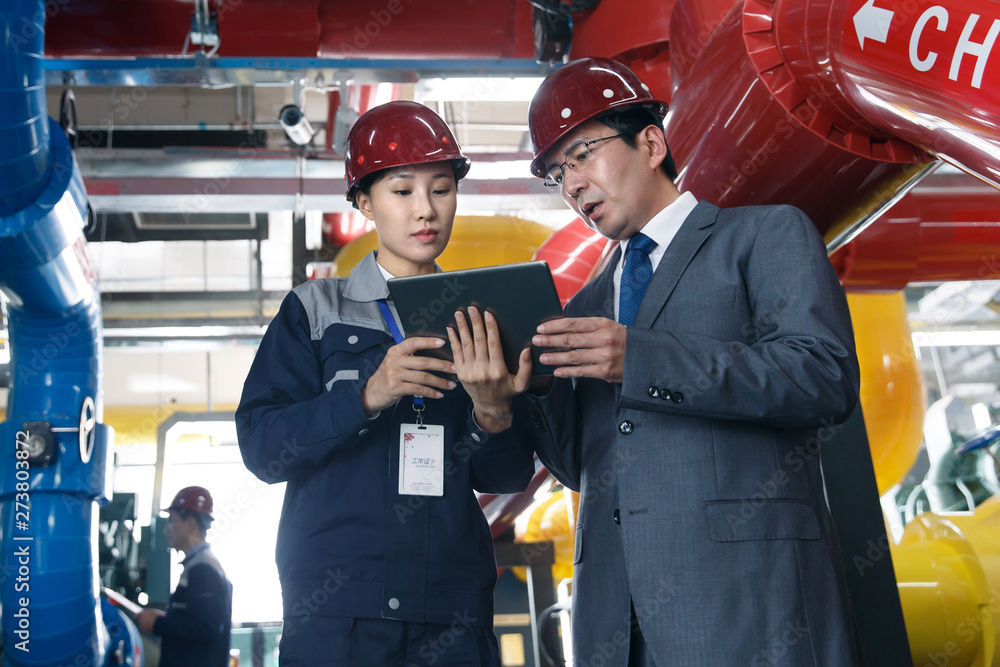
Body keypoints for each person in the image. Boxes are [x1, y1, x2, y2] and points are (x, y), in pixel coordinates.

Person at [478, 57, 863, 666]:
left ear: (651, 142)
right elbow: (582, 466)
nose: (573, 184)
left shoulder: (765, 236)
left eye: (582, 155)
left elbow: (822, 377)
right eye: (557, 173)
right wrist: (530, 394)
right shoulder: (581, 305)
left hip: (748, 604)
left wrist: (642, 358)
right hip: (615, 617)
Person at [235, 100, 535, 666]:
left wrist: (494, 415)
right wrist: (368, 395)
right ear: (363, 202)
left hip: (450, 615)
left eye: (441, 189)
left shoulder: (481, 317)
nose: (426, 210)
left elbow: (506, 473)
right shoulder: (314, 312)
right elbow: (263, 449)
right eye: (402, 191)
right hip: (338, 616)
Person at [136, 486, 233, 667]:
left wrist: (158, 624)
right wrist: (164, 618)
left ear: (190, 524)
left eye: (172, 521)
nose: (166, 530)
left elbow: (206, 628)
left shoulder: (203, 568)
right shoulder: (197, 565)